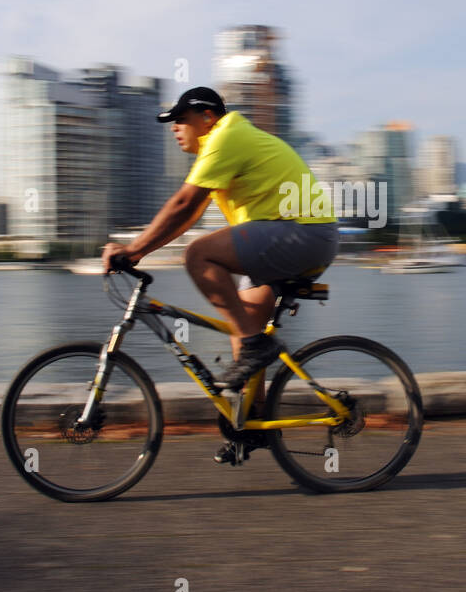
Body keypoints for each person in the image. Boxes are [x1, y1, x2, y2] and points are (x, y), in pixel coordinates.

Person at [101, 84, 339, 406]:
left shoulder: (225, 137)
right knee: (242, 328)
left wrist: (134, 250)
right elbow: (189, 215)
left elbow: (184, 204)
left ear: (208, 116)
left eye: (181, 119)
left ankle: (256, 345)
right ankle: (252, 425)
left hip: (303, 233)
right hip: (298, 237)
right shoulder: (223, 145)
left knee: (199, 255)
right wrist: (142, 250)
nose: (174, 128)